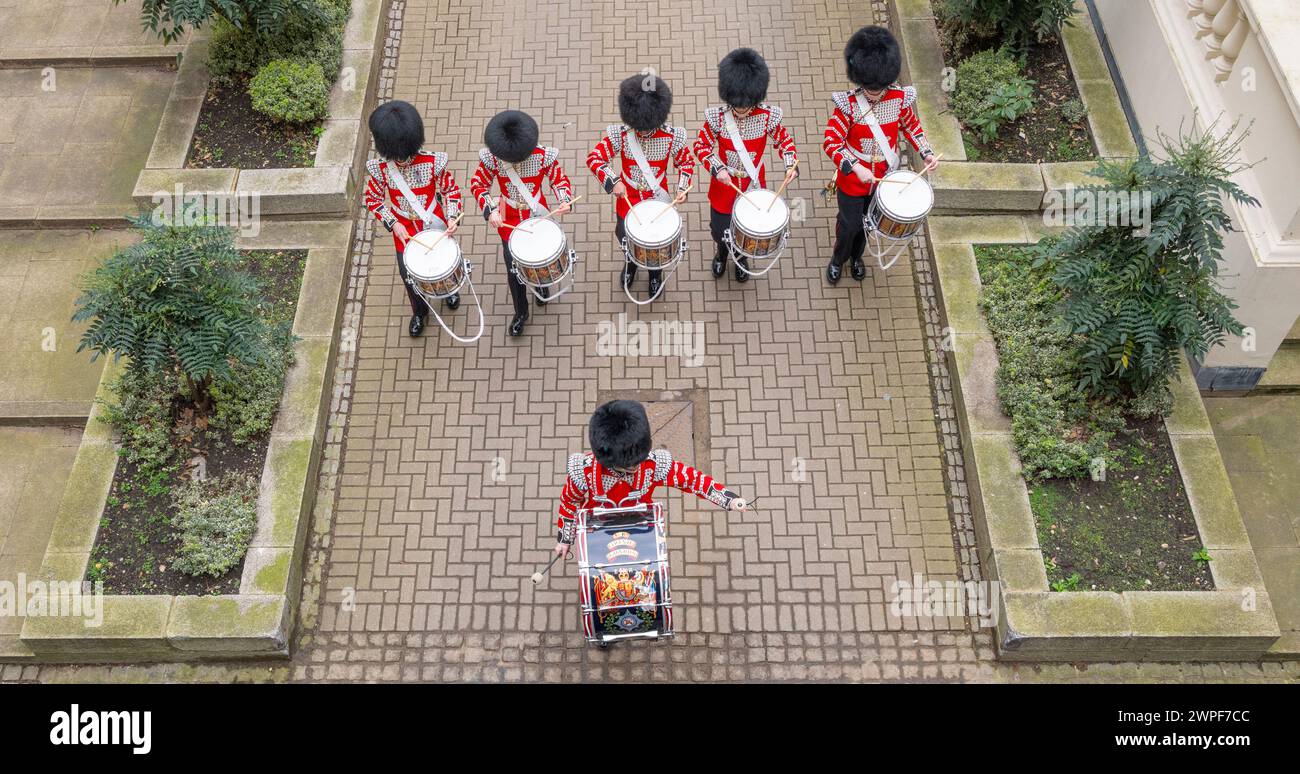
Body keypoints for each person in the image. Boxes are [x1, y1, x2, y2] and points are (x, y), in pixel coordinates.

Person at [553, 400, 749, 559]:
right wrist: (565, 539)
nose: (636, 467)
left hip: (640, 528)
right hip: (597, 530)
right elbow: (569, 502)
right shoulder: (584, 471)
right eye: (628, 465)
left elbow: (692, 480)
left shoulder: (652, 465)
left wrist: (728, 499)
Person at [822, 26, 939, 285]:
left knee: (868, 222)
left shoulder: (899, 98)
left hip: (883, 176)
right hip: (853, 179)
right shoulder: (849, 105)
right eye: (869, 86)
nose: (873, 92)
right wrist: (853, 167)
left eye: (877, 87)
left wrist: (927, 153)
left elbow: (912, 127)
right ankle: (838, 258)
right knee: (849, 223)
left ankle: (857, 257)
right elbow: (831, 142)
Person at [694, 48, 798, 282]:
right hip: (724, 185)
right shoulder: (718, 118)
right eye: (737, 103)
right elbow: (700, 147)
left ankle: (741, 258)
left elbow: (784, 141)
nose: (741, 109)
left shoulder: (767, 116)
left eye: (745, 104)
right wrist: (717, 168)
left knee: (748, 230)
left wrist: (790, 164)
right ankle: (721, 254)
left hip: (752, 185)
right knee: (720, 230)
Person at [587, 74, 695, 300]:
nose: (643, 132)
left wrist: (682, 187)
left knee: (657, 242)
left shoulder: (671, 137)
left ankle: (655, 274)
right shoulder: (622, 135)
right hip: (629, 198)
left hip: (658, 200)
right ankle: (631, 265)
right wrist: (614, 181)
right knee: (624, 236)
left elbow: (686, 162)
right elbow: (595, 158)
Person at [362, 100, 463, 337]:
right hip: (404, 227)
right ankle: (419, 311)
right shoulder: (381, 169)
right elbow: (373, 199)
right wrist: (393, 223)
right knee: (407, 274)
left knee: (444, 264)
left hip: (433, 222)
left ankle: (449, 290)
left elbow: (451, 191)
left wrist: (452, 218)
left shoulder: (432, 162)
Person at [470, 110, 574, 336]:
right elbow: (478, 185)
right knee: (513, 267)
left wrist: (565, 199)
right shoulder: (493, 158)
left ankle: (542, 285)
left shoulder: (543, 156)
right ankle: (521, 311)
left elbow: (559, 179)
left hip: (537, 213)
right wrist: (490, 211)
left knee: (540, 257)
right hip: (509, 217)